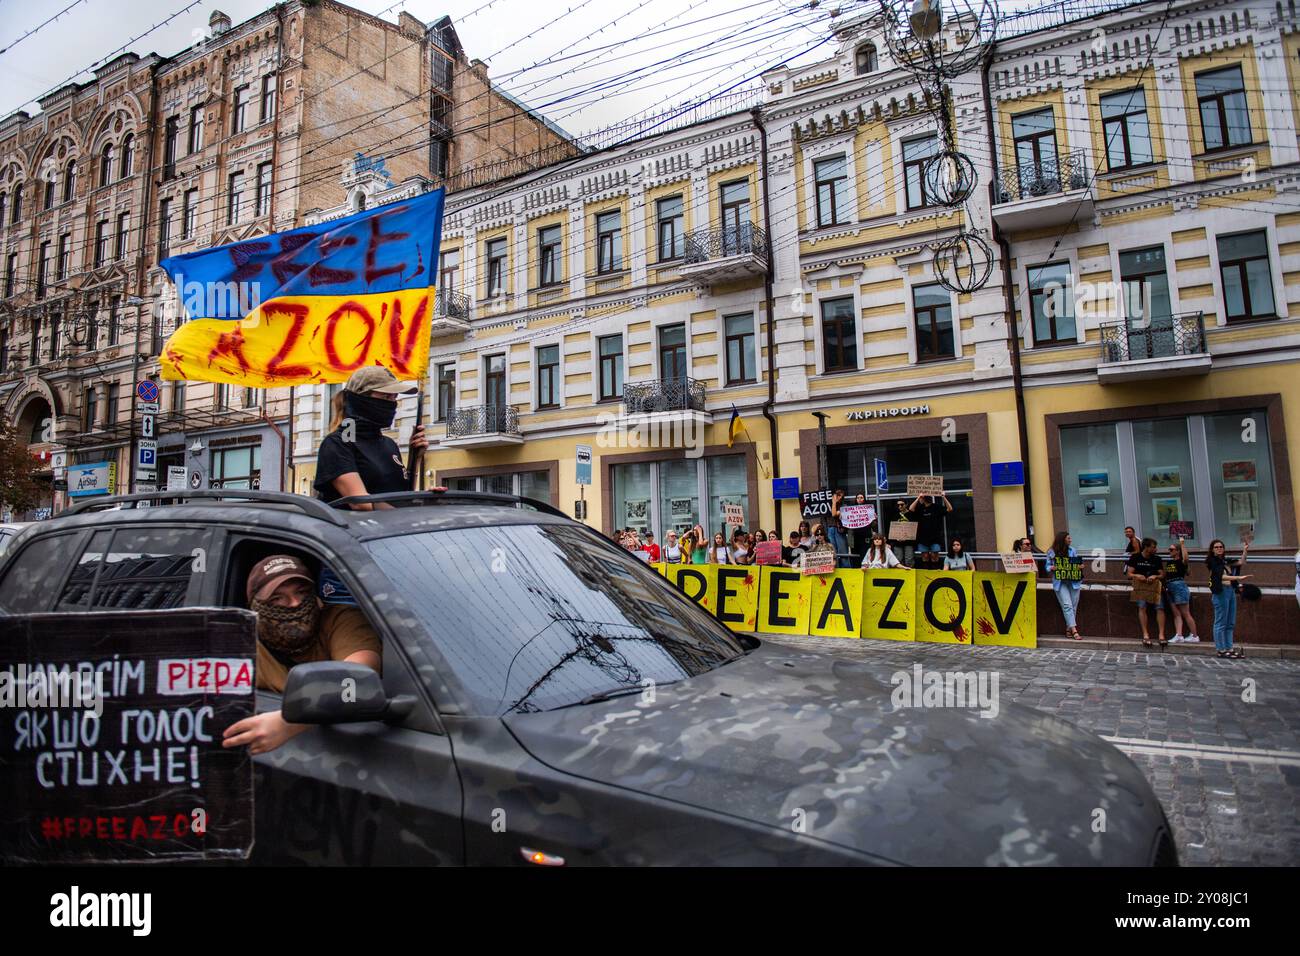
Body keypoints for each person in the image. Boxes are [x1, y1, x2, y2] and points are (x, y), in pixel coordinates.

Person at [222, 555, 381, 755]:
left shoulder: (340, 619)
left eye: (302, 592)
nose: (295, 603)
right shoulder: (240, 646)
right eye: (277, 598)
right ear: (255, 607)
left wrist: (288, 723)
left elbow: (358, 679)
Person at [314, 367, 424, 508]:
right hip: (355, 529)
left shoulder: (389, 444)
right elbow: (361, 504)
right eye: (386, 397)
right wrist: (406, 516)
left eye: (394, 397)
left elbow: (402, 496)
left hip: (393, 529)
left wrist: (415, 459)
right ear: (360, 399)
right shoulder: (338, 443)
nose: (392, 403)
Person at [1206, 539, 1251, 659]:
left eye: (1221, 546)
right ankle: (1221, 649)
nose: (1219, 548)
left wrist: (1245, 550)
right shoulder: (1212, 562)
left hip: (1230, 591)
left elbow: (1242, 562)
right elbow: (1220, 576)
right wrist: (1238, 577)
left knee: (1230, 622)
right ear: (1212, 549)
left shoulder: (1225, 561)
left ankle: (1229, 648)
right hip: (1221, 592)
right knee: (1221, 622)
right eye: (1216, 547)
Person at [1126, 537, 1167, 648]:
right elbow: (1129, 574)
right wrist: (1137, 575)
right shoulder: (1135, 557)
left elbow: (1162, 574)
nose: (1156, 549)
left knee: (1160, 608)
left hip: (1154, 585)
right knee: (1142, 607)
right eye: (1153, 547)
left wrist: (1155, 576)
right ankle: (1145, 634)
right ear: (1146, 547)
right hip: (1141, 586)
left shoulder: (1157, 559)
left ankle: (1161, 635)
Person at [1045, 530, 1084, 641]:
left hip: (1073, 582)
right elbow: (1047, 566)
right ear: (1063, 540)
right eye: (1068, 538)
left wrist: (1080, 566)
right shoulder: (1051, 552)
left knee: (1073, 606)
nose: (1070, 540)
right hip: (1060, 582)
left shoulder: (1073, 550)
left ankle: (1069, 628)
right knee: (1067, 605)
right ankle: (1075, 630)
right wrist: (1051, 568)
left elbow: (1077, 563)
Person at [1163, 536, 1198, 644]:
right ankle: (1179, 635)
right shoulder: (1169, 562)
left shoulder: (1181, 562)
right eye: (1169, 549)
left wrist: (1182, 543)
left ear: (1178, 551)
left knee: (1185, 613)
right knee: (1176, 613)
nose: (1169, 551)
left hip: (1179, 586)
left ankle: (1194, 635)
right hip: (1170, 586)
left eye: (1172, 549)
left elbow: (1186, 558)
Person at [908, 492, 953, 570]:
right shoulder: (920, 508)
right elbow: (911, 509)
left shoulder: (936, 507)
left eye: (922, 498)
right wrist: (918, 497)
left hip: (935, 537)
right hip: (923, 538)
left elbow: (950, 509)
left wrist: (943, 497)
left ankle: (935, 573)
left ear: (925, 499)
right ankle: (926, 573)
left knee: (934, 556)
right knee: (925, 556)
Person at [827, 489, 851, 569]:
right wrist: (833, 503)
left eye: (841, 496)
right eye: (838, 495)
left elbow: (834, 514)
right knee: (833, 551)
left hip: (839, 530)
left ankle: (845, 568)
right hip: (830, 529)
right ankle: (835, 567)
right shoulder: (827, 505)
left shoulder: (844, 506)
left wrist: (834, 503)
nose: (839, 497)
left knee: (842, 550)